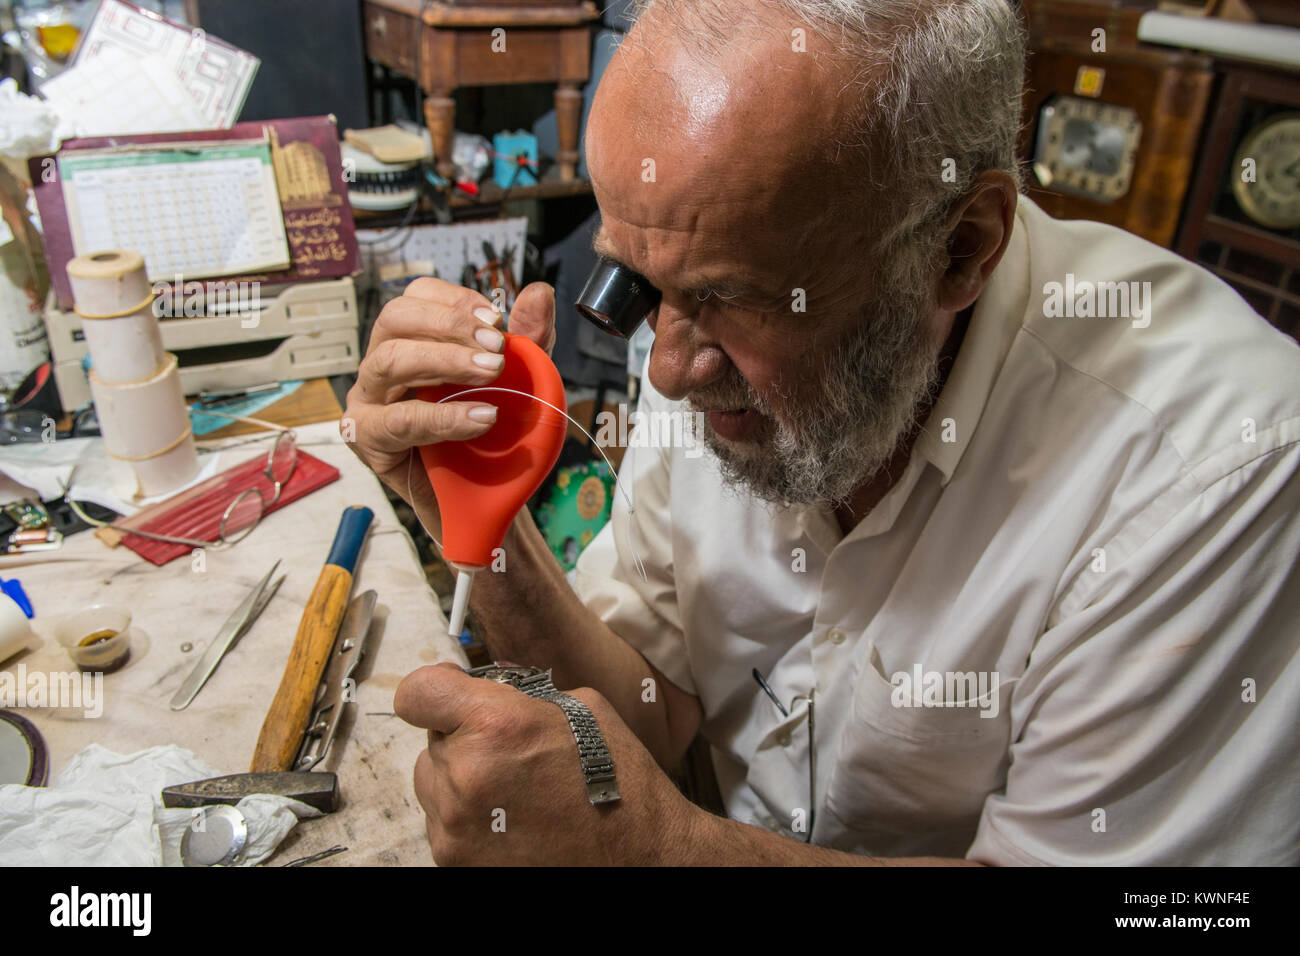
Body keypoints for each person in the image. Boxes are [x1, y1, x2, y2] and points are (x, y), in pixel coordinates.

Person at [344, 0, 1300, 865]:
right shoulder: (710, 283)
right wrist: (487, 526)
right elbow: (651, 706)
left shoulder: (1217, 466)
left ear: (961, 249)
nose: (668, 372)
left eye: (732, 301)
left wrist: (656, 851)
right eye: (637, 285)